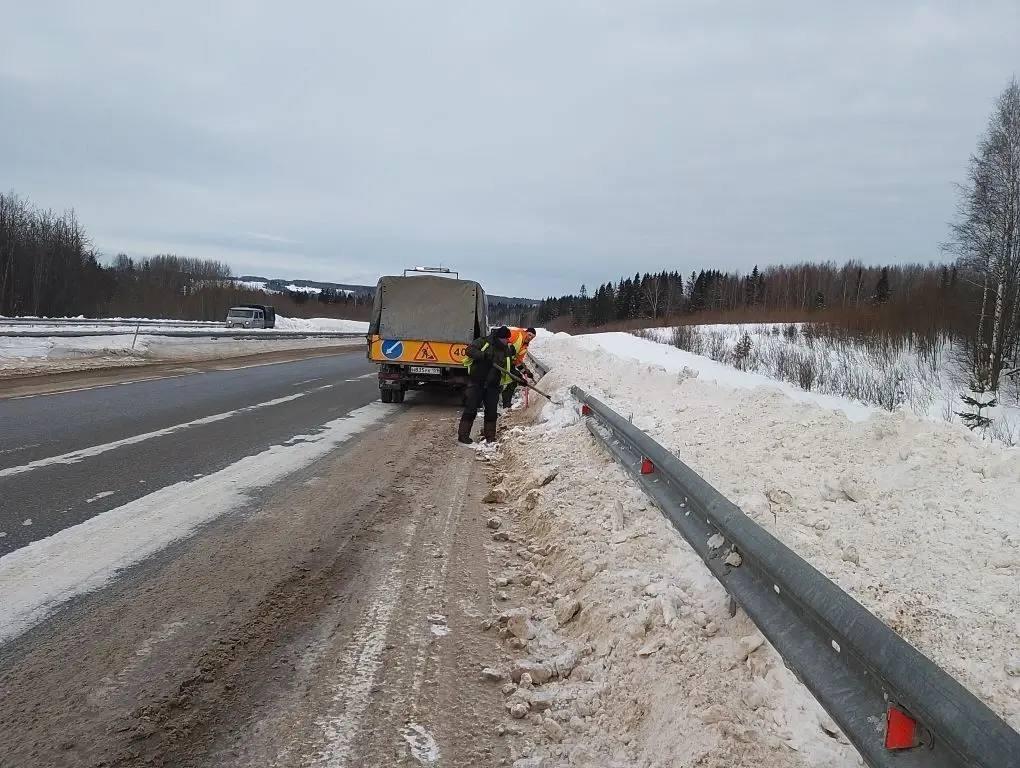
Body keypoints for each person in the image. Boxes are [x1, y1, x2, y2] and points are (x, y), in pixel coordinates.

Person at [458, 325, 513, 444]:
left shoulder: (506, 350)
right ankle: (463, 435)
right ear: (500, 338)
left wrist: (520, 378)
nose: (508, 341)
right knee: (471, 409)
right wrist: (483, 356)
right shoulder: (483, 342)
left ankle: (490, 437)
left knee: (491, 412)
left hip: (493, 385)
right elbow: (469, 350)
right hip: (477, 382)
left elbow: (510, 367)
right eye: (506, 339)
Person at [502, 327, 538, 408]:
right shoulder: (517, 334)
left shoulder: (524, 347)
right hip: (499, 360)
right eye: (529, 335)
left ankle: (506, 404)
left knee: (515, 380)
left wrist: (525, 372)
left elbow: (517, 362)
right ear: (525, 332)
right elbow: (502, 338)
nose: (530, 338)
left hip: (508, 364)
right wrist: (508, 345)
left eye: (532, 337)